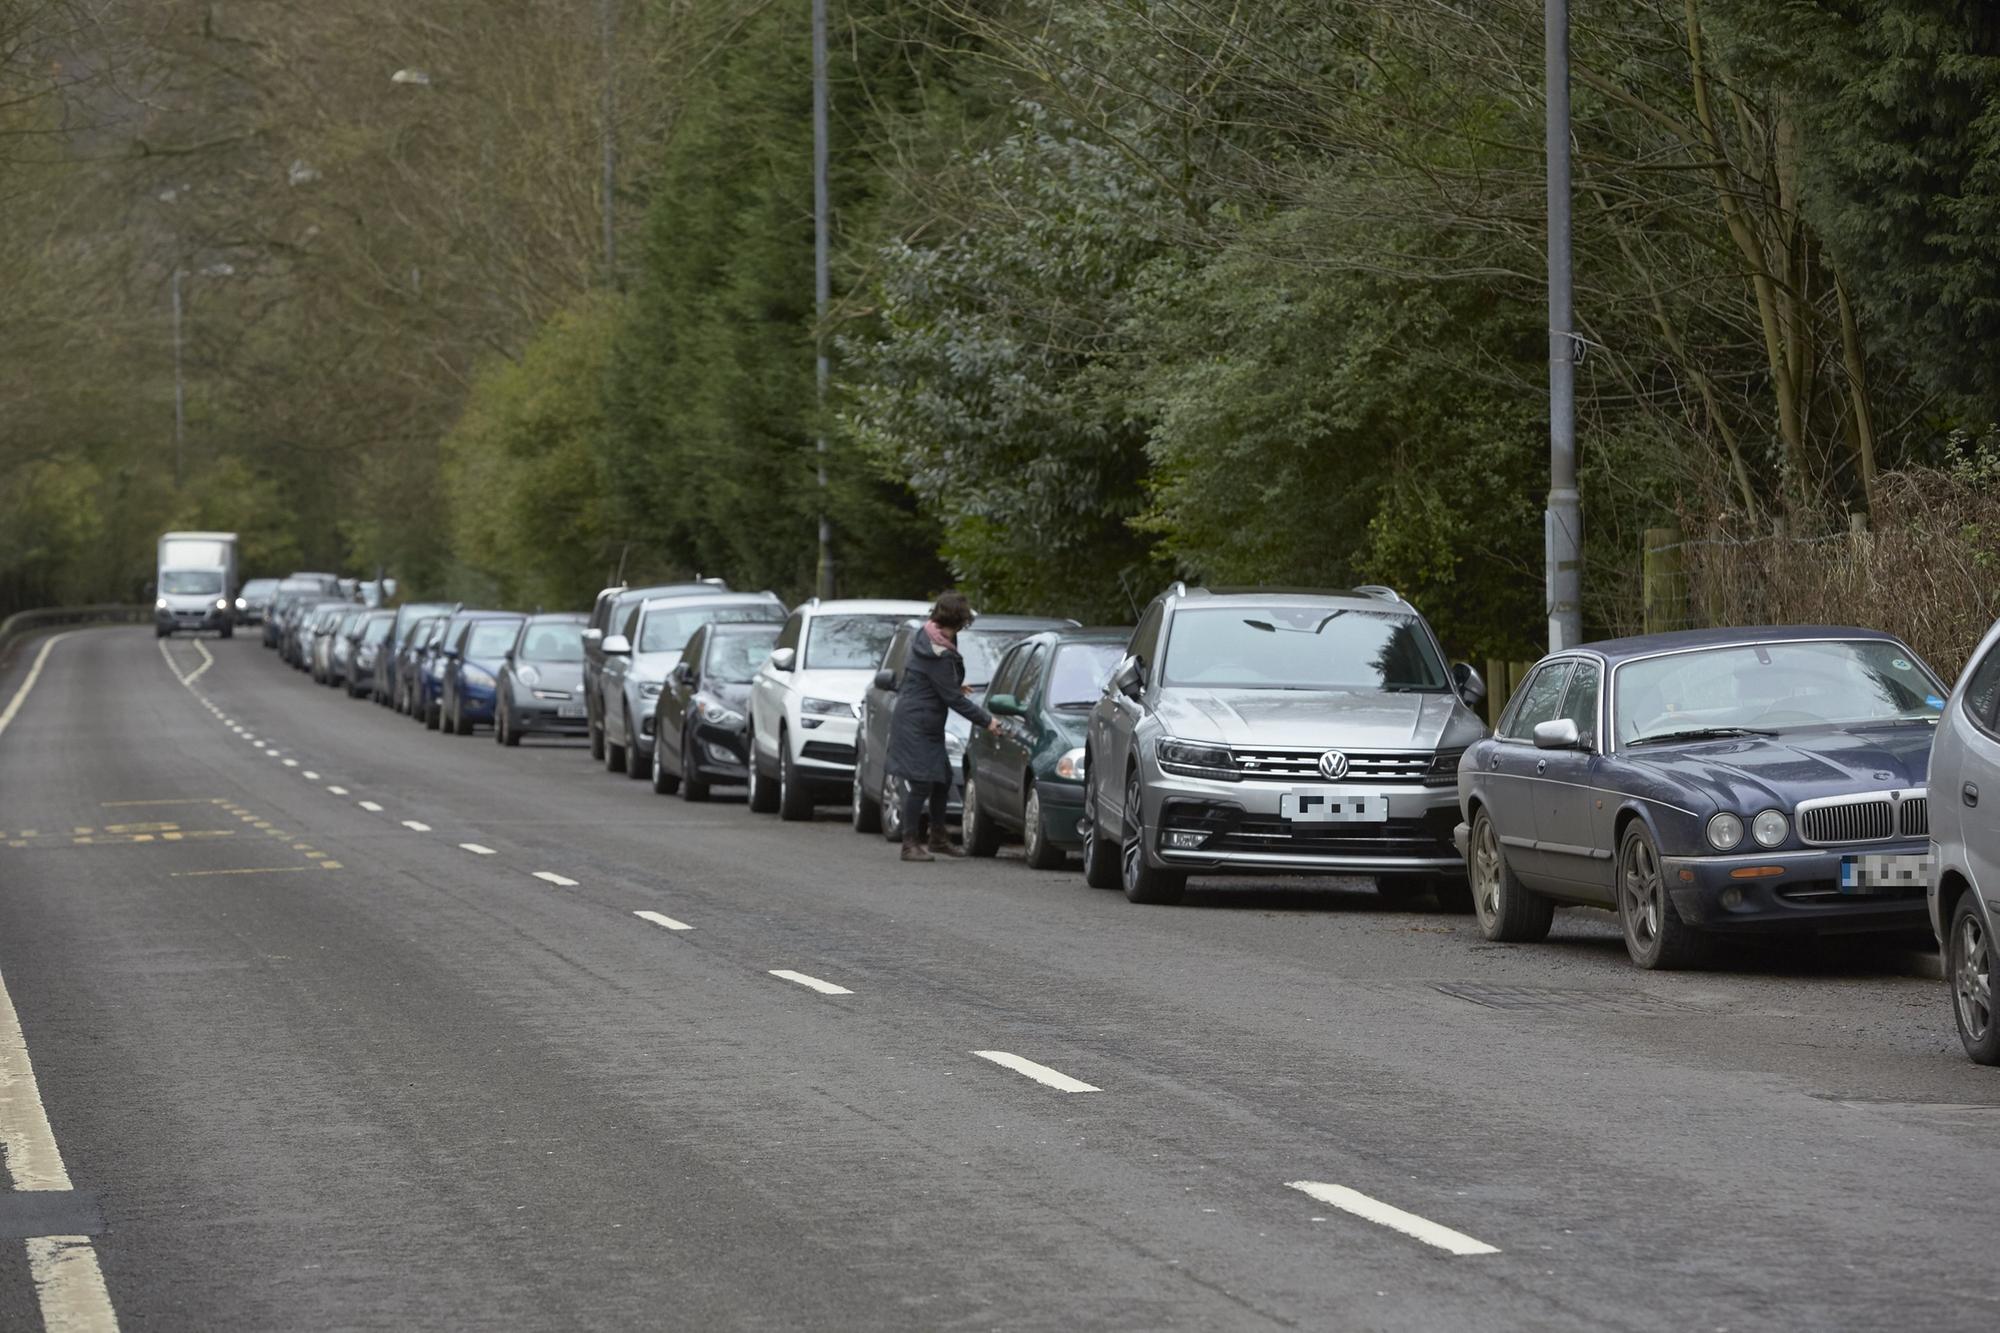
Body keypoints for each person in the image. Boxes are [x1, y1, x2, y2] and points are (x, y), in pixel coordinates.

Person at [887, 591, 1000, 862]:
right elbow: (952, 699)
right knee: (922, 783)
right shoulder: (938, 652)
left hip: (923, 720)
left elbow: (928, 678)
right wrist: (988, 721)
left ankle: (937, 838)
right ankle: (909, 843)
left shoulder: (929, 636)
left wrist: (949, 683)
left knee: (942, 779)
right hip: (916, 723)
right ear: (959, 620)